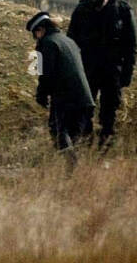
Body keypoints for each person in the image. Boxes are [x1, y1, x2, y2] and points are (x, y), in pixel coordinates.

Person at [67, 0, 137, 148]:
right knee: (83, 107)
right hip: (88, 67)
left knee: (109, 110)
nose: (95, 7)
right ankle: (85, 139)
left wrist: (127, 72)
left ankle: (106, 143)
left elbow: (131, 45)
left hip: (112, 69)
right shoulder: (82, 11)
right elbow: (71, 41)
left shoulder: (122, 11)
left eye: (98, 2)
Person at [26, 11, 94, 161]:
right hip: (84, 98)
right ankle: (80, 173)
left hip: (66, 98)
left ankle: (71, 169)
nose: (35, 38)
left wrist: (41, 95)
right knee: (75, 138)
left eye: (35, 34)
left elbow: (46, 74)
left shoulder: (48, 43)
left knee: (58, 132)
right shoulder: (68, 40)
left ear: (41, 30)